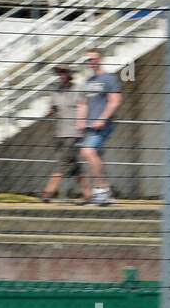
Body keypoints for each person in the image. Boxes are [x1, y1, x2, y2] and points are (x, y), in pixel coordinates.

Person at [40, 64, 93, 204]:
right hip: (61, 133)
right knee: (74, 166)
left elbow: (83, 106)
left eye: (63, 72)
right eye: (59, 72)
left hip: (73, 132)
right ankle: (88, 194)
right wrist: (50, 112)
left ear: (69, 74)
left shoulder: (77, 90)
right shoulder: (56, 90)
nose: (61, 74)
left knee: (62, 163)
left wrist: (82, 123)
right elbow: (54, 107)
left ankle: (48, 192)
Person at [77, 48, 122, 206]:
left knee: (87, 152)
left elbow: (115, 101)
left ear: (100, 59)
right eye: (88, 60)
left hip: (103, 125)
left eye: (93, 59)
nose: (91, 62)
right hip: (90, 126)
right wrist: (81, 121)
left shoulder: (109, 79)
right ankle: (103, 194)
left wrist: (103, 119)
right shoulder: (88, 81)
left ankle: (101, 189)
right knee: (97, 158)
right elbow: (82, 103)